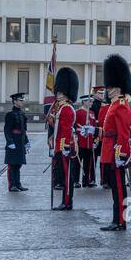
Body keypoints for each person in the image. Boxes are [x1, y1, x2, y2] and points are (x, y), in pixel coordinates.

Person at [99, 54, 131, 232]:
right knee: (115, 188)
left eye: (110, 87)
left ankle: (121, 221)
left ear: (118, 87)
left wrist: (121, 155)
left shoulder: (121, 105)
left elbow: (123, 133)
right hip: (109, 149)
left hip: (115, 152)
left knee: (119, 189)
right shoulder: (114, 104)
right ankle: (117, 219)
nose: (108, 89)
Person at [51, 68, 79, 210]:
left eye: (60, 92)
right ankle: (66, 201)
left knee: (67, 177)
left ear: (65, 93)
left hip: (66, 148)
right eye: (58, 91)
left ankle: (67, 201)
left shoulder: (66, 108)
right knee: (63, 176)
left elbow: (66, 131)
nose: (57, 94)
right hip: (61, 147)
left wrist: (64, 148)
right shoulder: (61, 108)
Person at [76, 95, 97, 187]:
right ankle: (75, 181)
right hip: (81, 141)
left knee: (88, 163)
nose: (91, 103)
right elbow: (75, 125)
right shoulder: (78, 112)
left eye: (92, 101)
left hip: (89, 141)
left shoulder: (92, 113)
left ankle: (86, 181)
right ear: (84, 102)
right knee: (77, 162)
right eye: (90, 101)